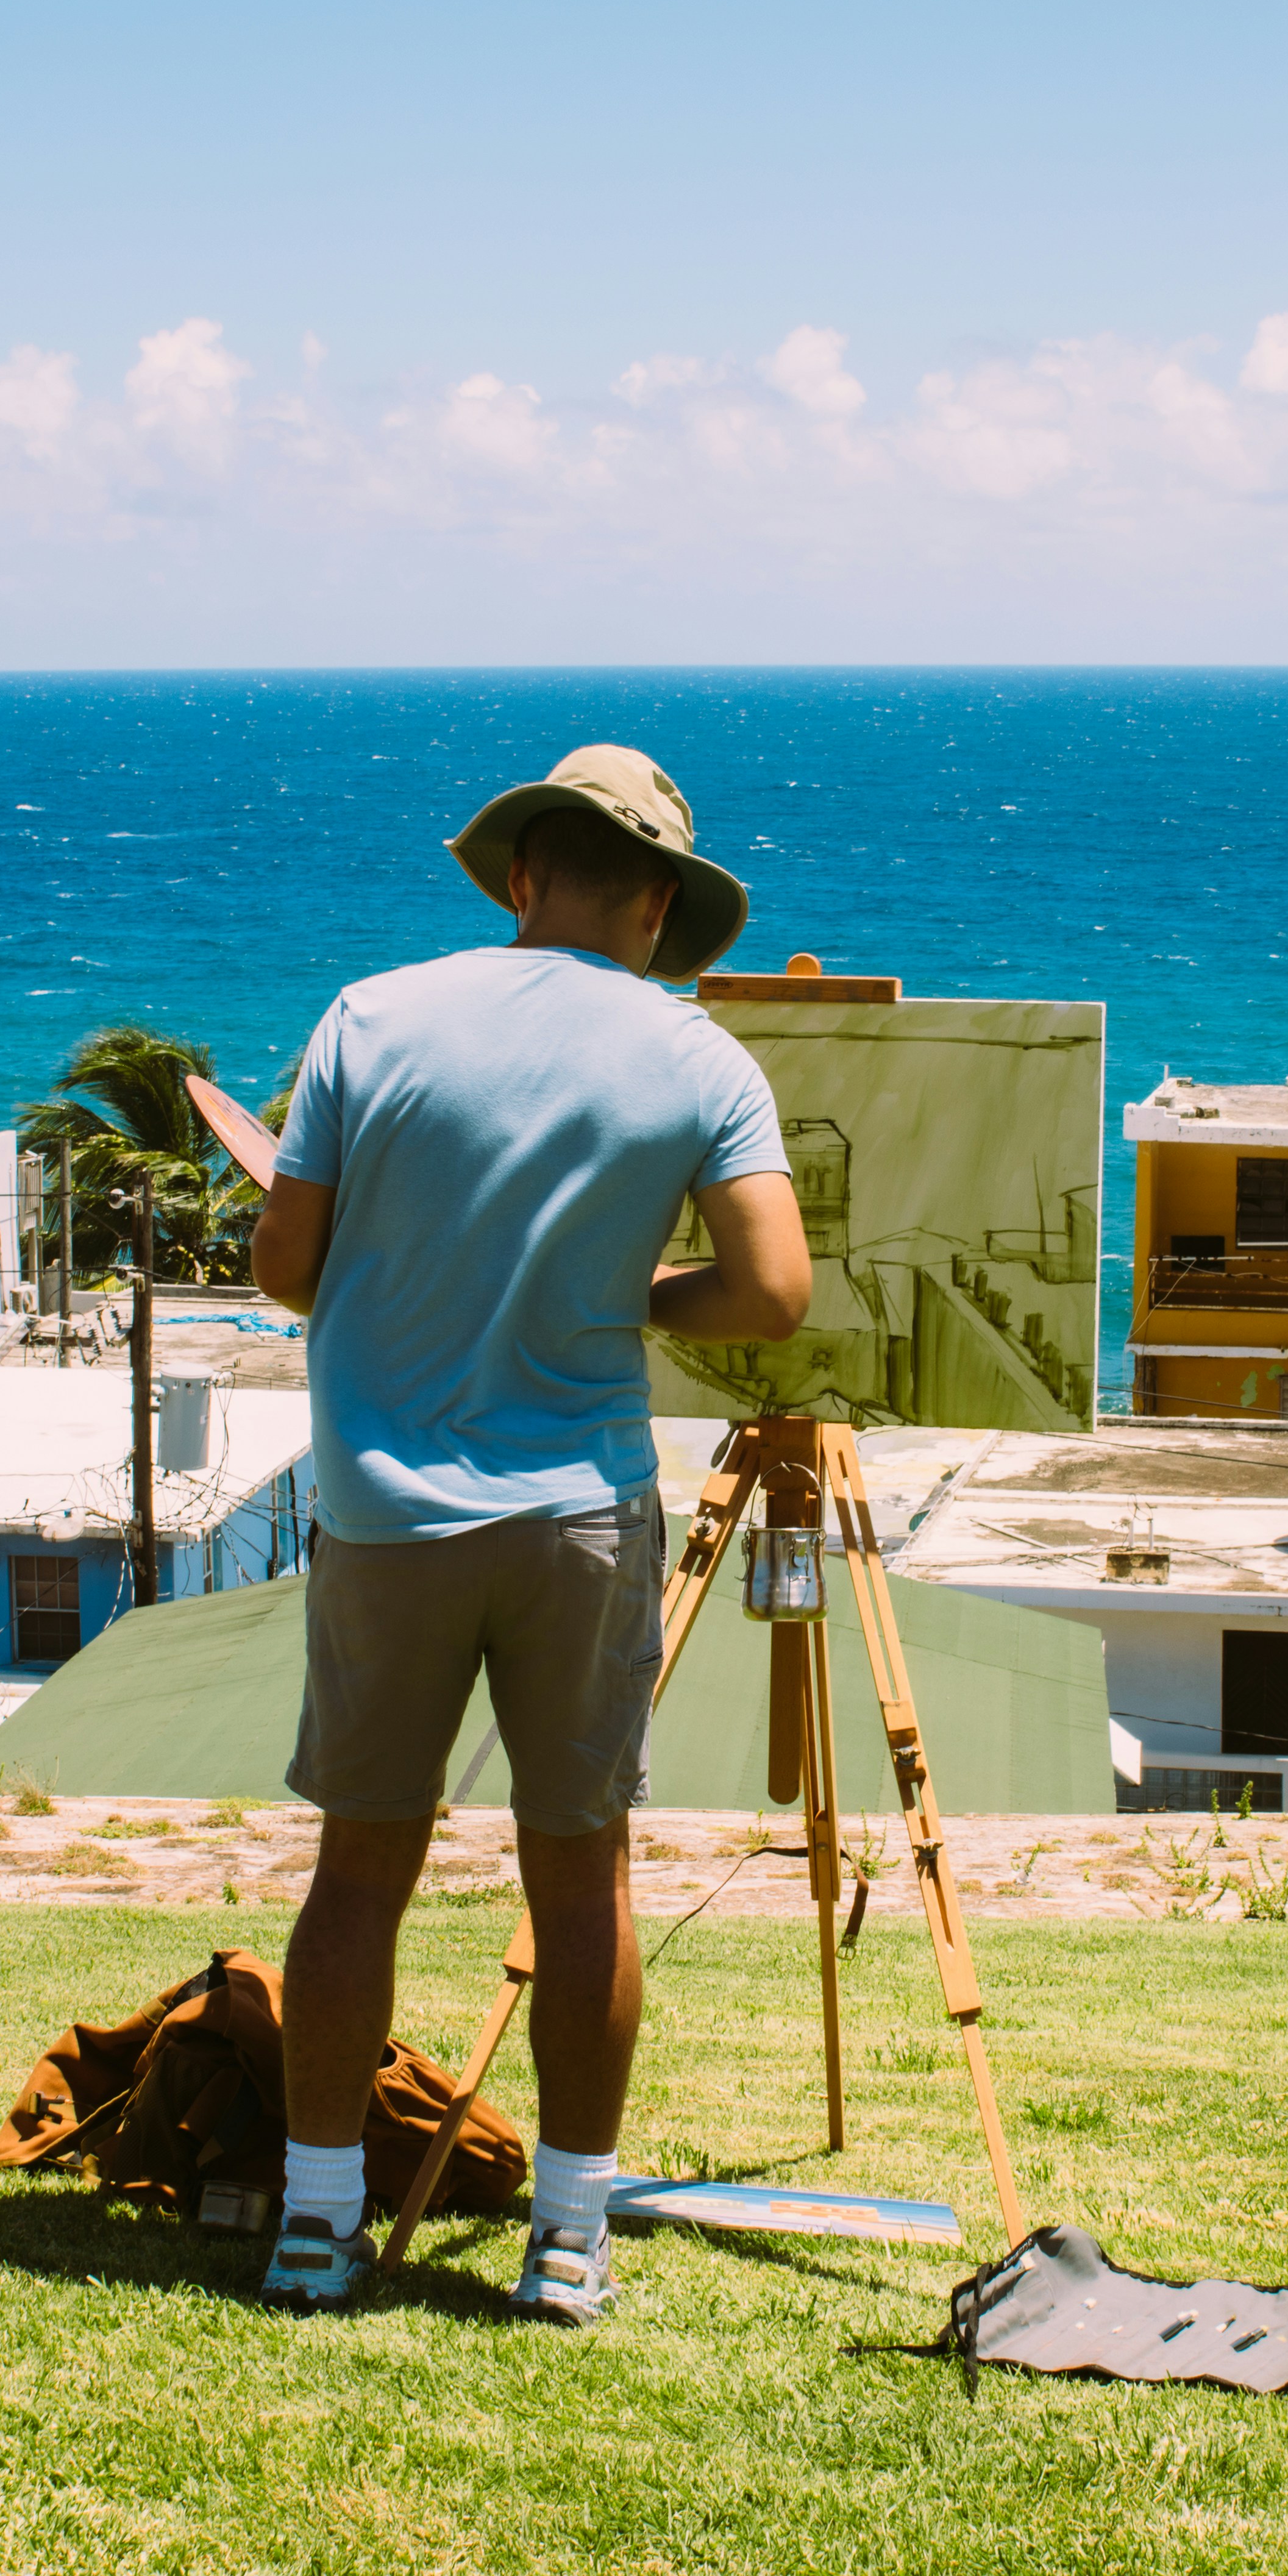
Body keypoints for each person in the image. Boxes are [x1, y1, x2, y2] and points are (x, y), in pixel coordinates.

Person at [246, 744, 812, 2324]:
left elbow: (288, 1265)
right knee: (583, 1880)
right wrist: (627, 1297)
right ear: (652, 902)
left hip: (383, 1509)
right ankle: (568, 2236)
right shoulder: (697, 1057)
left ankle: (315, 2224)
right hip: (576, 1509)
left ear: (517, 875)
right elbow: (773, 1293)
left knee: (361, 1871)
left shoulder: (373, 1015)